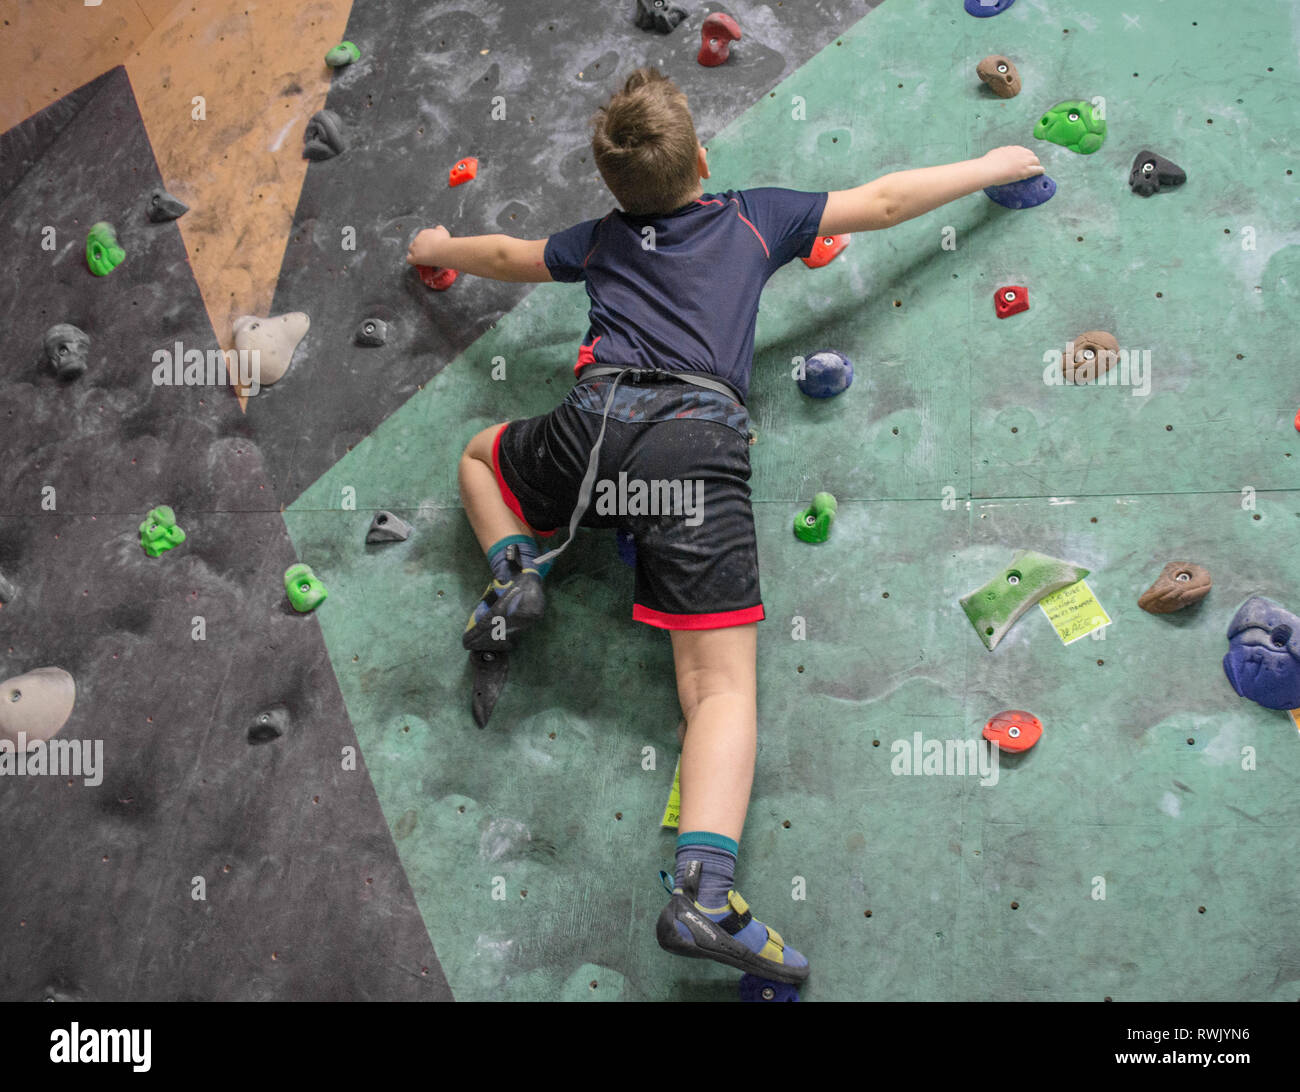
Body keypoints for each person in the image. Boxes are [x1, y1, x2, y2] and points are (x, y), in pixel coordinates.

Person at [406, 66, 1043, 985]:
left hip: (591, 433)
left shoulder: (601, 239)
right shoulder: (757, 215)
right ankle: (703, 889)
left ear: (614, 188)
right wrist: (997, 161)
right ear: (702, 159)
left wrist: (436, 241)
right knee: (718, 694)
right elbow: (888, 201)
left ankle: (514, 570)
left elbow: (507, 255)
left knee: (478, 456)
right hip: (692, 454)